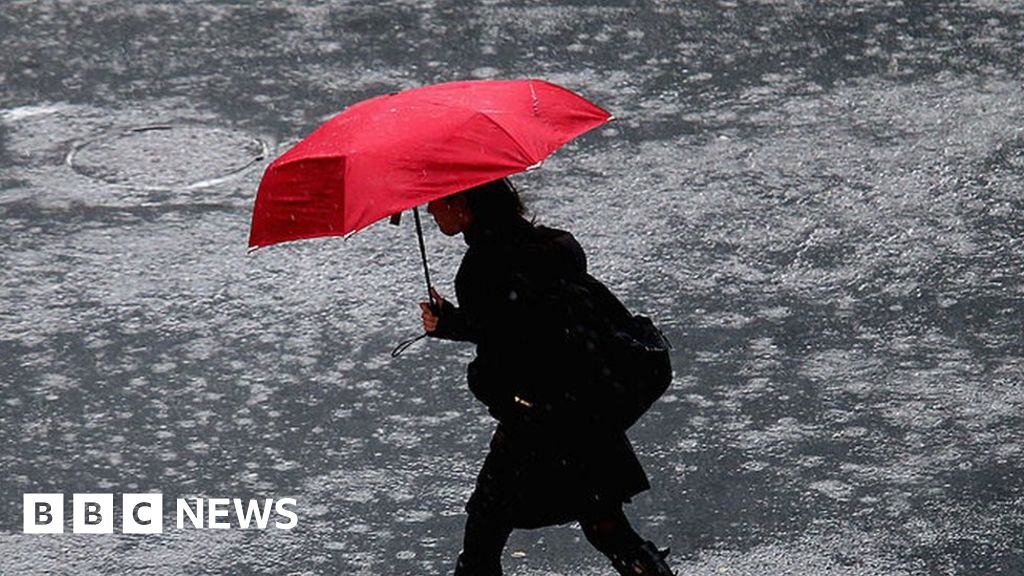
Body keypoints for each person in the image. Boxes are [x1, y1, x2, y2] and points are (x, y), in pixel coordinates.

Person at [418, 177, 674, 576]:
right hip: (584, 406)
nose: (429, 208)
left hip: (538, 419)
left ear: (462, 203)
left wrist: (476, 370)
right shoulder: (546, 246)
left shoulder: (483, 268)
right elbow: (523, 321)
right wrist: (456, 323)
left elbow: (505, 353)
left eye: (437, 198)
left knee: (485, 528)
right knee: (603, 519)